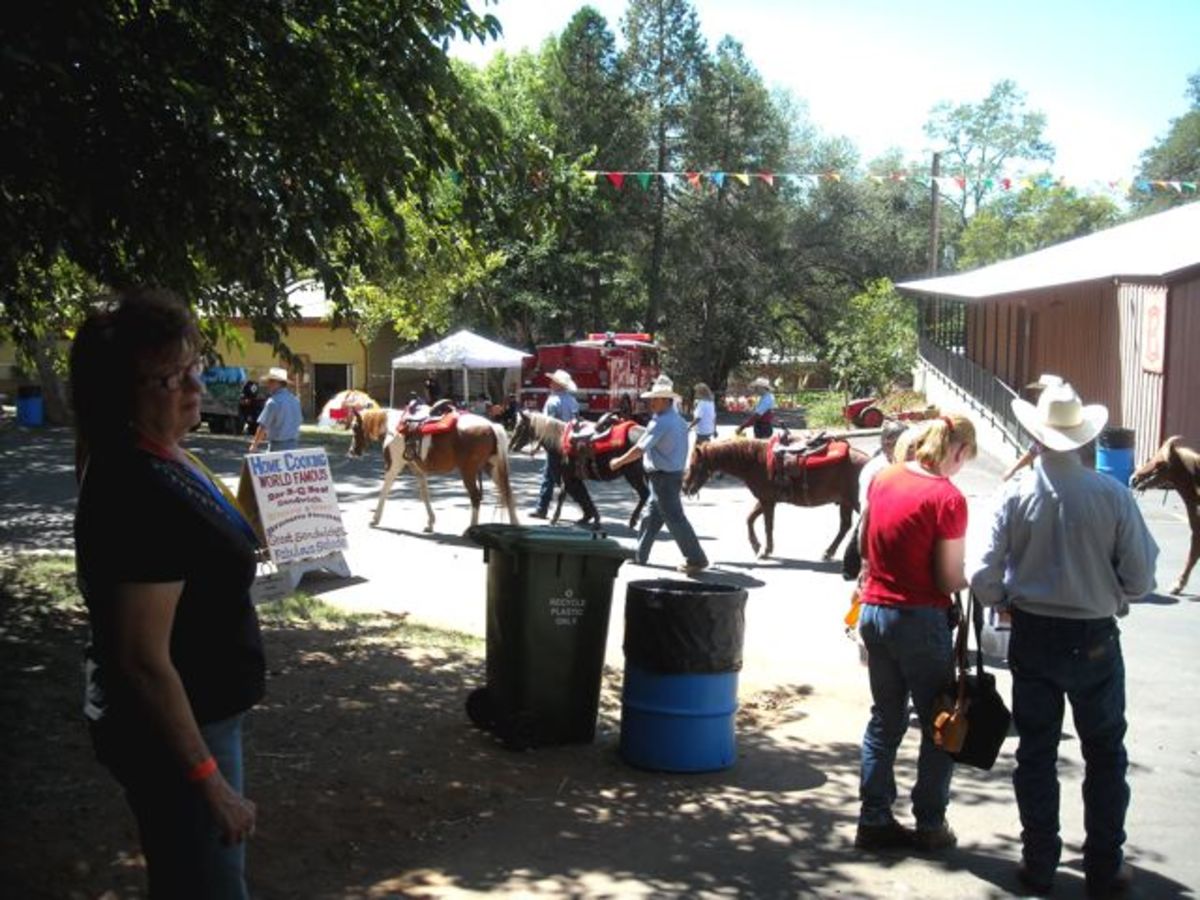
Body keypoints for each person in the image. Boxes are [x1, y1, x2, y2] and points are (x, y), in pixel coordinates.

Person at [69, 289, 263, 899]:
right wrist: (210, 783)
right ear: (123, 394)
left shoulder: (172, 457)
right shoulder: (134, 487)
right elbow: (143, 662)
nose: (193, 388)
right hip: (178, 736)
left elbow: (212, 556)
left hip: (207, 717)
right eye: (168, 378)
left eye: (193, 368)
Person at [971, 381, 1157, 898]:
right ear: (1081, 438)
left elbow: (982, 575)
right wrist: (1111, 592)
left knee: (1035, 752)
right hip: (1095, 635)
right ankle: (1104, 863)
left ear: (1037, 436)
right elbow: (1141, 578)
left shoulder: (1014, 494)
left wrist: (1004, 597)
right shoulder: (1112, 495)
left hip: (1033, 632)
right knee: (1104, 753)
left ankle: (1040, 860)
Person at [854, 414, 977, 853]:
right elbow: (947, 580)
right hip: (920, 619)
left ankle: (873, 817)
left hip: (875, 611)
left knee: (885, 720)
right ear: (957, 451)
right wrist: (974, 575)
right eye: (965, 459)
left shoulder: (884, 477)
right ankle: (929, 823)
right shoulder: (948, 498)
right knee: (940, 725)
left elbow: (865, 543)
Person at [610, 375, 709, 575]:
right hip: (666, 476)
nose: (651, 402)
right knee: (651, 516)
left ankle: (696, 558)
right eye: (651, 398)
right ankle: (639, 554)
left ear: (666, 400)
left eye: (655, 399)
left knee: (674, 519)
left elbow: (639, 448)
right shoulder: (677, 420)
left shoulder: (661, 422)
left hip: (664, 478)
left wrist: (618, 461)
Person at [843, 421, 909, 581]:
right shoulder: (876, 470)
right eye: (905, 444)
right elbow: (868, 513)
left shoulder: (903, 465)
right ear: (888, 443)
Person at [530, 368, 579, 519]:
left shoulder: (552, 401)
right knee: (560, 474)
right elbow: (576, 420)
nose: (550, 384)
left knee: (549, 476)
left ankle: (542, 508)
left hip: (555, 442)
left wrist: (538, 445)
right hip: (569, 440)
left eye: (553, 382)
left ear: (559, 385)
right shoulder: (572, 401)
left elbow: (548, 425)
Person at [1002, 374, 1064, 482]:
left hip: (1049, 476)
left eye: (1040, 392)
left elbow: (1034, 450)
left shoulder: (1050, 421)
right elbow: (1035, 449)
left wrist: (1013, 470)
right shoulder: (1060, 416)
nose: (1036, 395)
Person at [248, 367, 302, 453]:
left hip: (278, 447)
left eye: (271, 381)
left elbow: (263, 426)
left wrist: (254, 445)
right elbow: (298, 422)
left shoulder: (273, 402)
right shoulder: (295, 400)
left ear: (278, 383)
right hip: (294, 446)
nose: (268, 385)